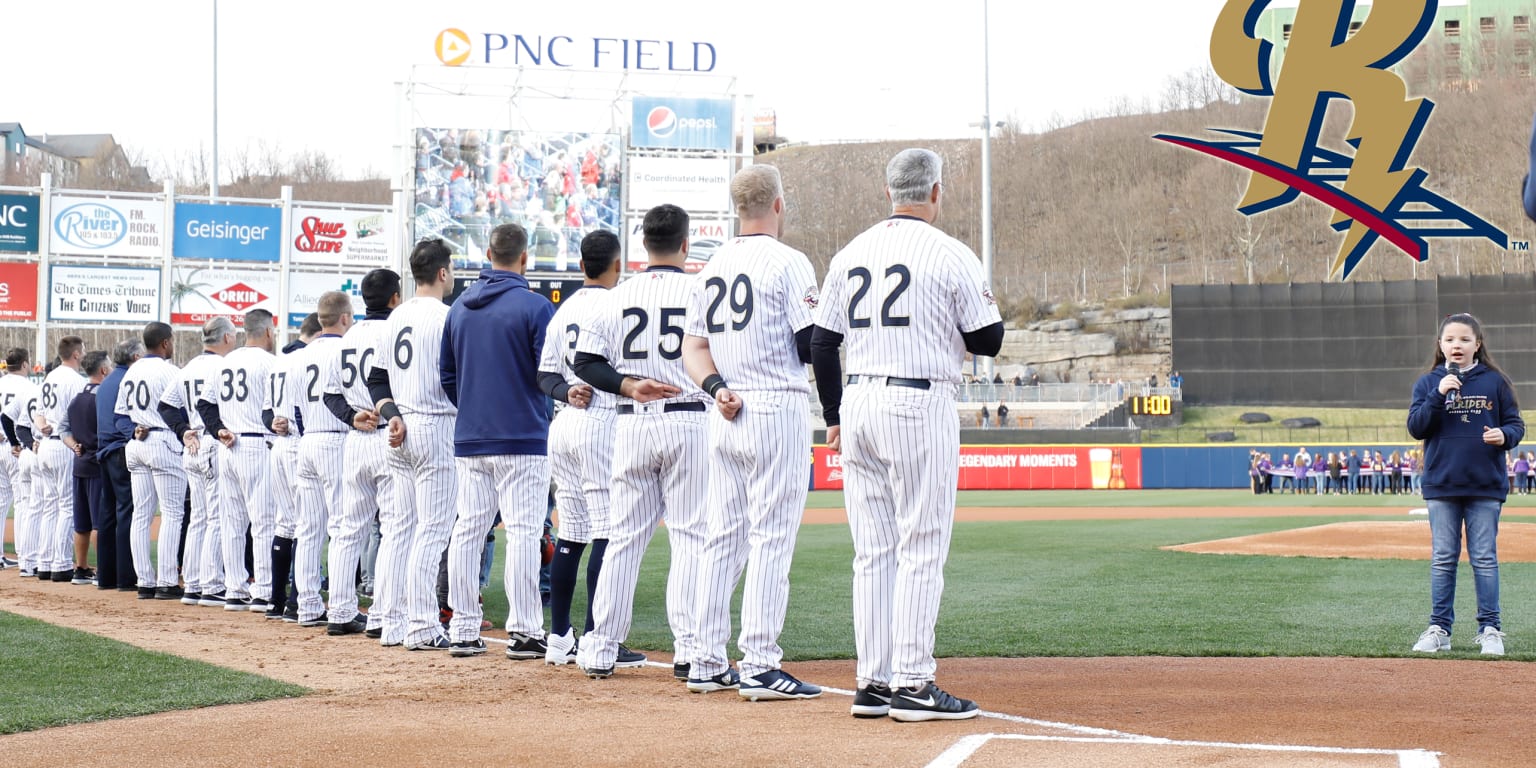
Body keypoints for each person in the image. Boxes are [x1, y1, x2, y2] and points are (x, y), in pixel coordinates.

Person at [811, 148, 1004, 721]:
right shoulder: (949, 252)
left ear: (889, 192)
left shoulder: (852, 250)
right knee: (921, 544)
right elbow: (989, 338)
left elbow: (822, 342)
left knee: (873, 552)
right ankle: (914, 683)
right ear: (936, 192)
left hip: (859, 400)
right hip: (917, 400)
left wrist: (834, 416)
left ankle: (872, 683)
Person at [679, 164, 823, 700]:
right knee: (770, 538)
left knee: (723, 537)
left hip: (724, 405)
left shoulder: (712, 265)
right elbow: (812, 344)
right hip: (775, 404)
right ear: (779, 204)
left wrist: (715, 387)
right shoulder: (788, 262)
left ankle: (706, 660)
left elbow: (692, 348)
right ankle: (761, 663)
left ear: (737, 208)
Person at [571, 204, 708, 680]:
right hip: (689, 418)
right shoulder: (700, 289)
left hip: (631, 421)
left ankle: (600, 647)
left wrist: (627, 385)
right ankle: (690, 650)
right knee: (690, 536)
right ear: (686, 244)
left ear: (643, 246)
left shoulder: (616, 295)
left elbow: (584, 362)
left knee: (625, 537)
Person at [439, 223, 556, 659]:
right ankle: (525, 631)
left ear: (488, 254)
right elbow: (548, 374)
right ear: (524, 258)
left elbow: (447, 376)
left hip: (471, 437)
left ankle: (463, 629)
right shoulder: (534, 306)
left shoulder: (459, 308)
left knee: (468, 530)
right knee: (524, 532)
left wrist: (471, 405)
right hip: (522, 435)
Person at [1407, 312, 1524, 656]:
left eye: (1464, 339)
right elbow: (1417, 427)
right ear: (1440, 346)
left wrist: (1504, 435)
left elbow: (1516, 426)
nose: (1456, 345)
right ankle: (1439, 629)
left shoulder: (1496, 382)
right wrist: (1438, 393)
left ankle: (1490, 629)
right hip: (1442, 483)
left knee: (1484, 558)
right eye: (1449, 340)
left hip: (1484, 484)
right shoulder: (1429, 383)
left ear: (1478, 344)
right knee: (1443, 558)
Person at [367, 239, 460, 651]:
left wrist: (391, 416)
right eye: (452, 268)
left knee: (398, 530)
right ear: (442, 273)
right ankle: (422, 624)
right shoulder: (447, 317)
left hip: (399, 429)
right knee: (433, 530)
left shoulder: (396, 316)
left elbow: (376, 378)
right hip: (436, 426)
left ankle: (390, 621)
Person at [536, 230, 621, 665]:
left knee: (571, 532)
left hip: (564, 425)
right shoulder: (615, 303)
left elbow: (543, 376)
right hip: (600, 423)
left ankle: (559, 637)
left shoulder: (563, 309)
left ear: (581, 264)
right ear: (616, 263)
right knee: (606, 529)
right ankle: (595, 636)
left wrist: (566, 390)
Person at [324, 269, 405, 640]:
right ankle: (382, 615)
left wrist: (350, 416)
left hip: (356, 438)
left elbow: (329, 394)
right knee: (393, 528)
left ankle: (340, 611)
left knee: (348, 529)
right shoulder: (397, 329)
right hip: (390, 434)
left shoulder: (348, 335)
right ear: (394, 298)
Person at [196, 309, 279, 612]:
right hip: (257, 444)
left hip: (227, 445)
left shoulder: (225, 362)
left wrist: (218, 429)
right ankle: (264, 590)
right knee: (263, 521)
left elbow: (204, 404)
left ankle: (234, 588)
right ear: (268, 332)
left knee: (232, 521)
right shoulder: (270, 362)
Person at [158, 318, 237, 607]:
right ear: (226, 337)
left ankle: (192, 583)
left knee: (199, 519)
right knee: (216, 517)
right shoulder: (222, 366)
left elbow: (165, 406)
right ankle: (211, 584)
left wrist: (182, 431)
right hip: (212, 442)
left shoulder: (188, 367)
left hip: (192, 445)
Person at [117, 322, 188, 600]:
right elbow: (183, 410)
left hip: (137, 442)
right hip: (163, 440)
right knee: (172, 513)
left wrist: (133, 429)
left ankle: (145, 581)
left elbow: (120, 415)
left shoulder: (132, 371)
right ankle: (167, 581)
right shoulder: (170, 370)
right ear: (166, 343)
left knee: (141, 514)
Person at [264, 314, 321, 621]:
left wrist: (273, 423)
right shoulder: (306, 359)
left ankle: (276, 601)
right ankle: (297, 602)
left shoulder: (278, 362)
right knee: (306, 524)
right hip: (298, 444)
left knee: (285, 523)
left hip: (279, 447)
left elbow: (266, 412)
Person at [34, 336, 87, 583]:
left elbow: (39, 414)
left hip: (45, 445)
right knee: (66, 505)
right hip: (64, 444)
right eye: (83, 351)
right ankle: (61, 564)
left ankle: (44, 563)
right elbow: (80, 415)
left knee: (49, 505)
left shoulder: (50, 376)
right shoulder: (75, 380)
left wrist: (43, 425)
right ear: (75, 354)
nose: (84, 354)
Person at [59, 350, 111, 584]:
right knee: (100, 521)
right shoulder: (104, 397)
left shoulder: (78, 397)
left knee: (81, 522)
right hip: (98, 463)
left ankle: (80, 568)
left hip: (79, 463)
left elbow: (63, 430)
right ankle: (102, 570)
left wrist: (73, 446)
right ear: (103, 370)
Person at [95, 339, 142, 590]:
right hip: (120, 449)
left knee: (109, 513)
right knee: (127, 512)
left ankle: (106, 576)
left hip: (105, 451)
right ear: (135, 357)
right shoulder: (128, 380)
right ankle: (126, 577)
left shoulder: (106, 382)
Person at [0, 348, 41, 574]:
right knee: (24, 502)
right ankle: (25, 555)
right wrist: (17, 441)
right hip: (14, 446)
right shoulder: (29, 387)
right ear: (25, 364)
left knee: (1, 501)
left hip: (2, 444)